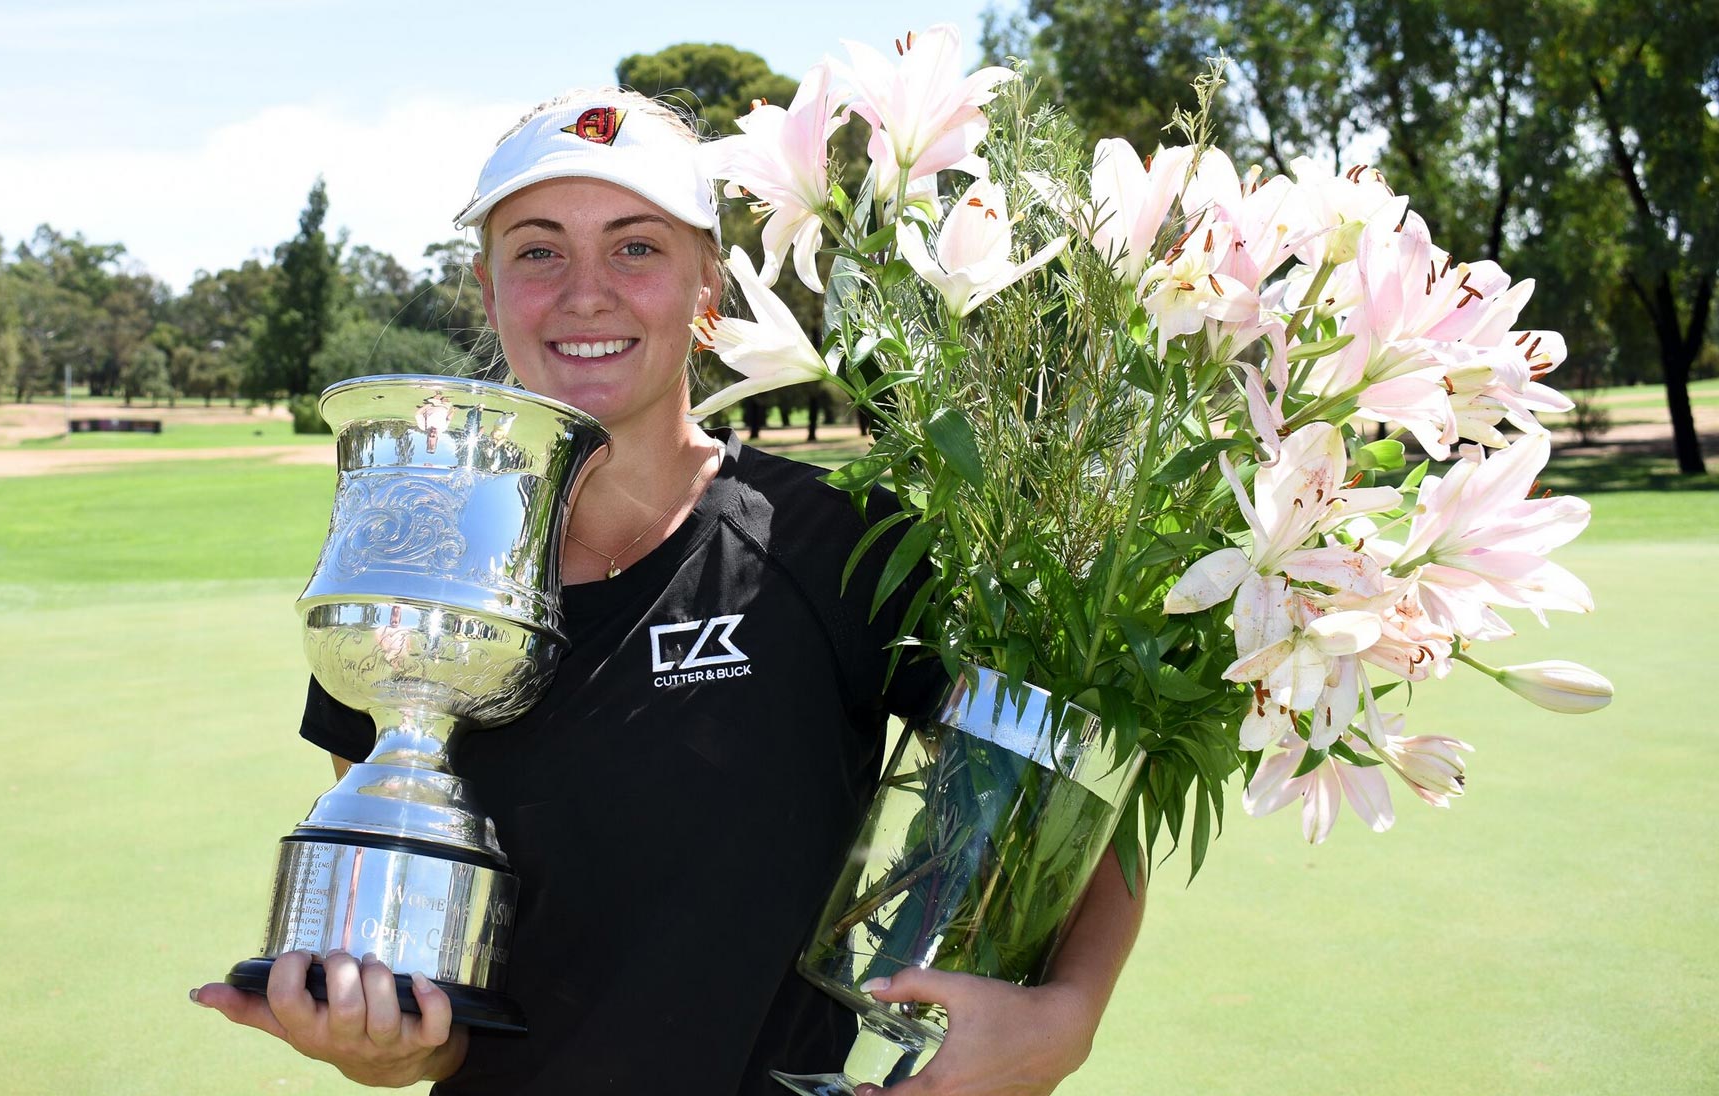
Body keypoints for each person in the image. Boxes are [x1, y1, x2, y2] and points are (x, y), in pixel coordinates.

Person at [192, 88, 1145, 1096]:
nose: (585, 294)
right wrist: (387, 1043)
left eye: (636, 247)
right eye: (539, 250)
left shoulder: (837, 539)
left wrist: (1067, 1015)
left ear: (708, 286)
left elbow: (1074, 787)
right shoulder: (414, 571)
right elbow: (435, 1018)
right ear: (487, 288)